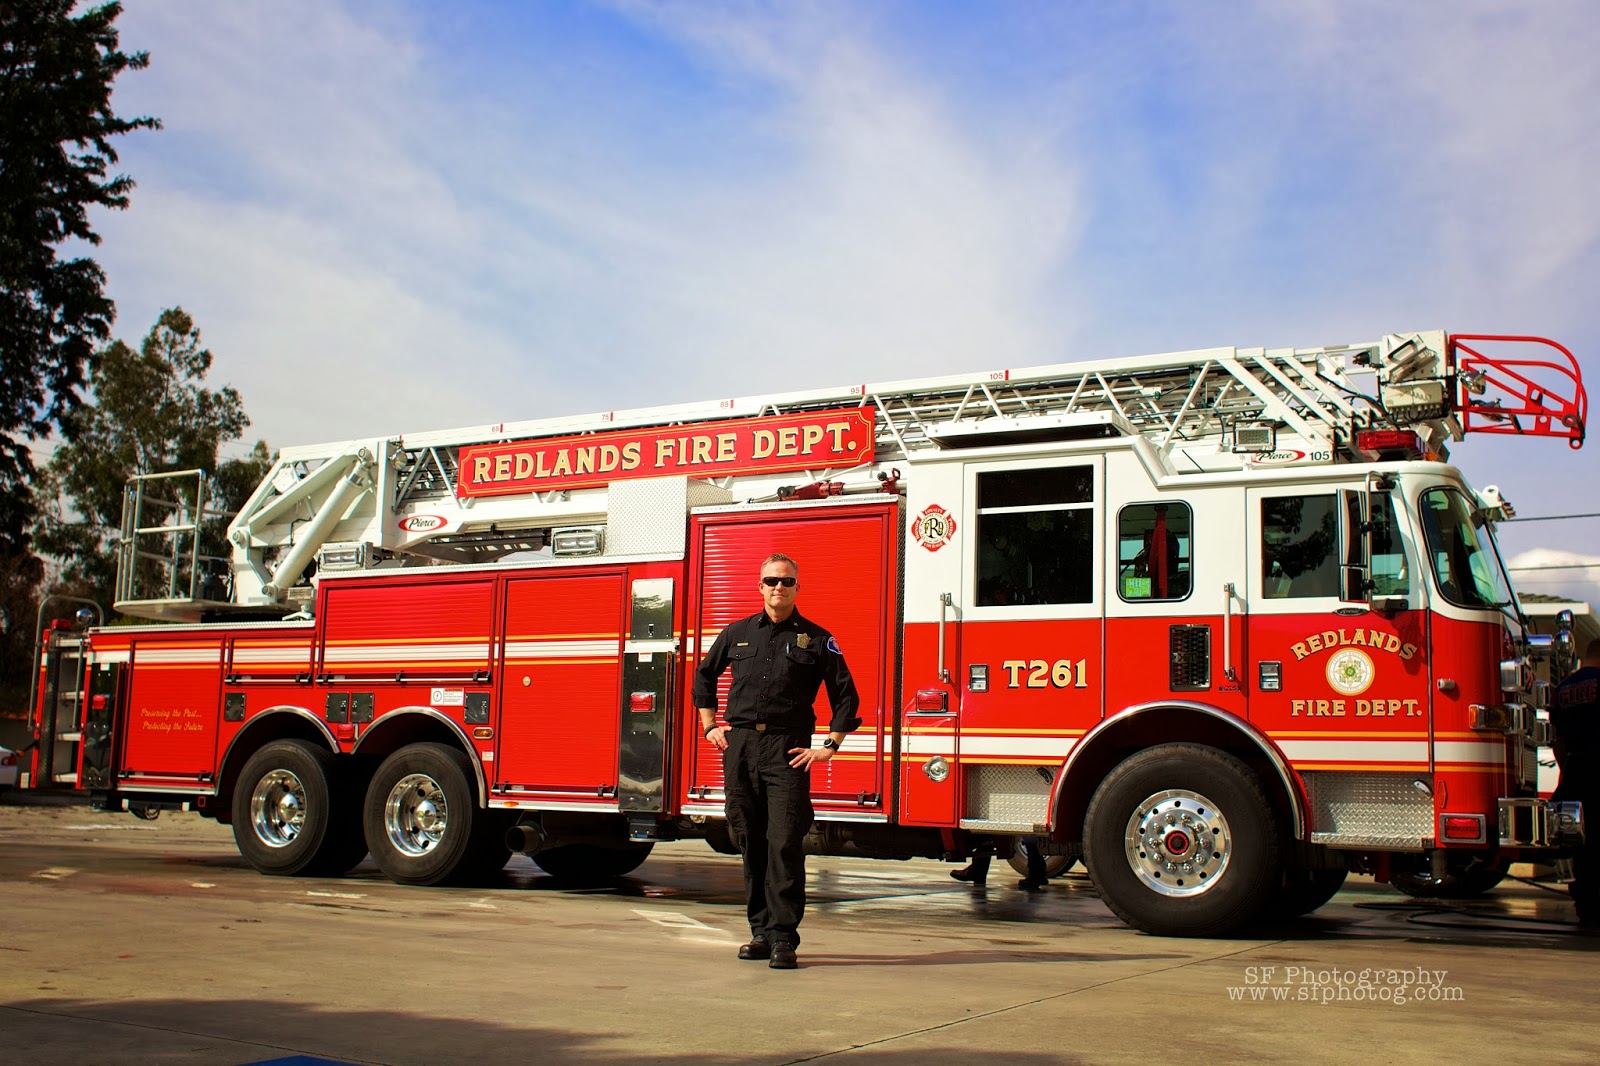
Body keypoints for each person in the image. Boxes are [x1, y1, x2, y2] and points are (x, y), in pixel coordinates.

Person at [695, 553, 861, 969]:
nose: (778, 588)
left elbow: (846, 696)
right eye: (771, 581)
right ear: (760, 586)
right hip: (742, 748)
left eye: (787, 582)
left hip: (788, 751)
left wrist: (829, 746)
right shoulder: (737, 633)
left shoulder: (817, 638)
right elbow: (703, 676)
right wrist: (710, 726)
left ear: (797, 588)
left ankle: (784, 938)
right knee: (749, 841)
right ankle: (759, 933)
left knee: (784, 843)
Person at [1551, 638, 1600, 927]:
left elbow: (1557, 741)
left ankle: (1587, 906)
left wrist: (1566, 771)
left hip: (1576, 768)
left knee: (1584, 843)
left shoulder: (1563, 688)